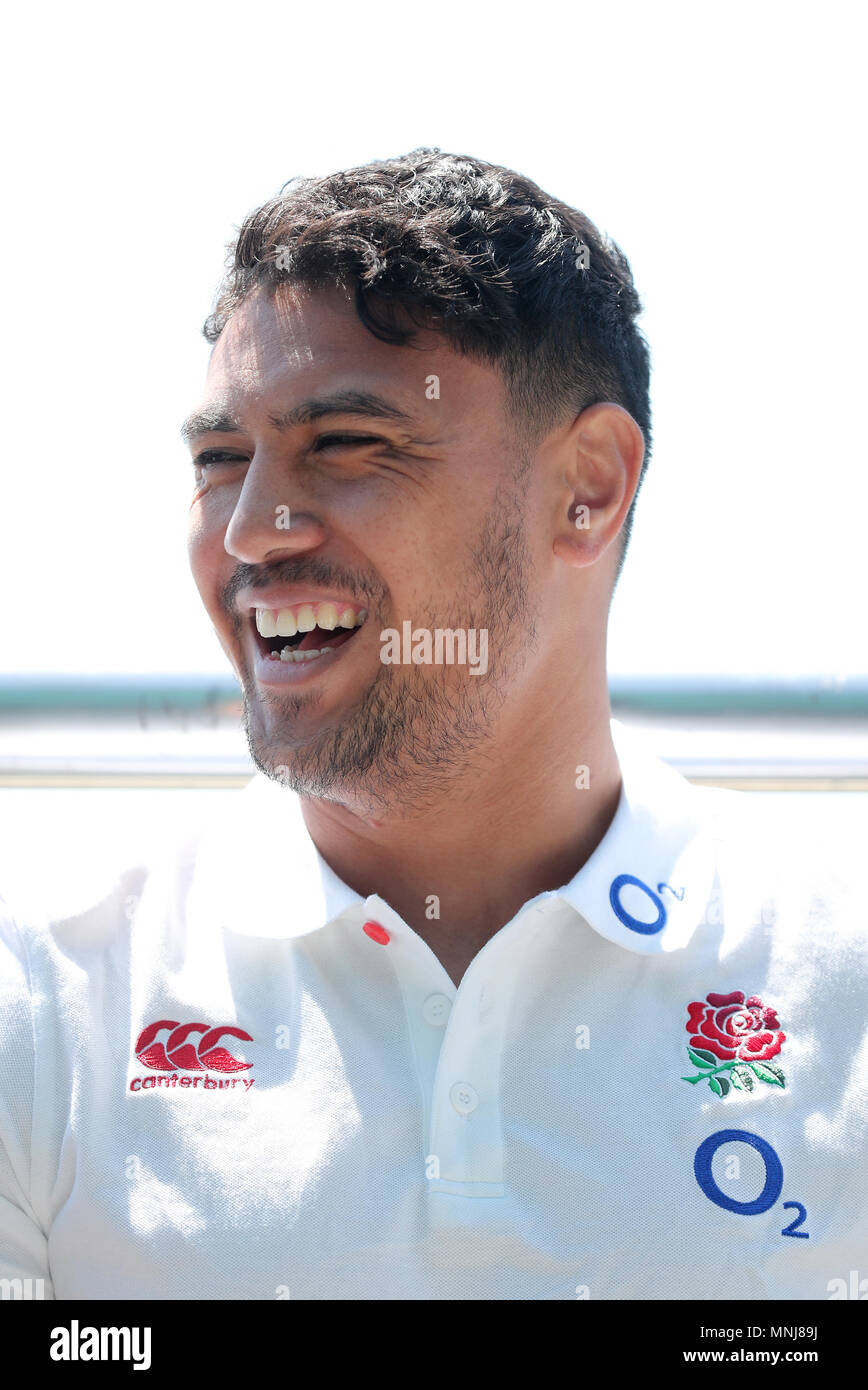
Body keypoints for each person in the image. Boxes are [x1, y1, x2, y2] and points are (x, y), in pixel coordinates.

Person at [0, 149, 863, 1301]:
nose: (253, 529)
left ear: (587, 488)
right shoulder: (49, 997)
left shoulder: (838, 977)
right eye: (219, 460)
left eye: (346, 444)